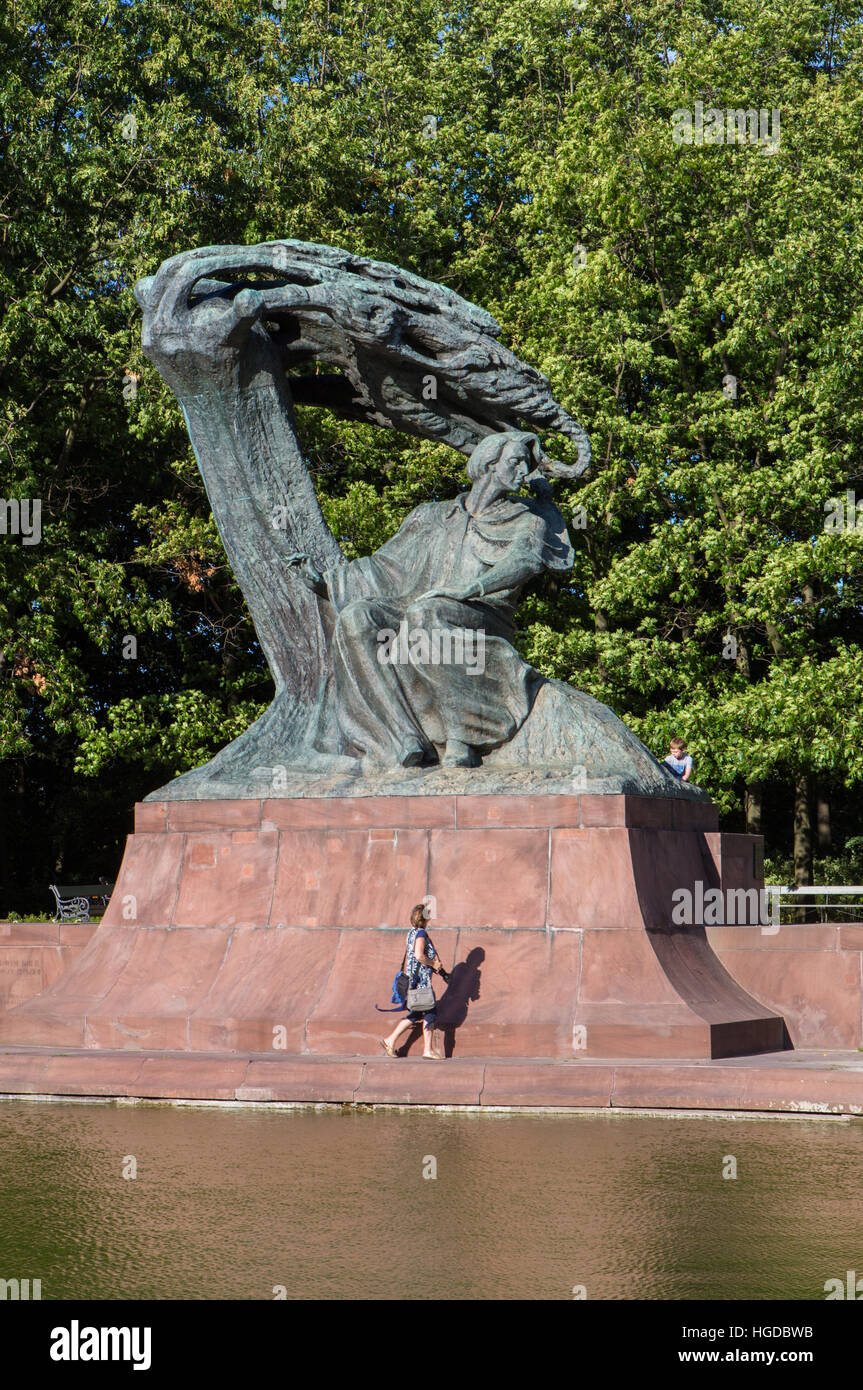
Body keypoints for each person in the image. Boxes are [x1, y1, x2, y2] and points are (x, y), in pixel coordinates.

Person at [286, 430, 574, 770]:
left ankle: (460, 736)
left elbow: (525, 561)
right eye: (515, 463)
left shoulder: (527, 519)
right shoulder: (432, 515)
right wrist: (325, 583)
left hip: (484, 612)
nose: (523, 473)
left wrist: (472, 589)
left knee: (426, 614)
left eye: (527, 466)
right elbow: (384, 564)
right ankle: (402, 739)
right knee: (357, 618)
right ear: (488, 464)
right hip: (420, 603)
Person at [380, 905, 448, 1060]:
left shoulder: (412, 933)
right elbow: (419, 955)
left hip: (415, 980)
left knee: (417, 1012)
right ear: (425, 918)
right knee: (430, 1012)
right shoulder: (422, 933)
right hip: (421, 981)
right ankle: (427, 1050)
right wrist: (433, 963)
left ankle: (390, 1040)